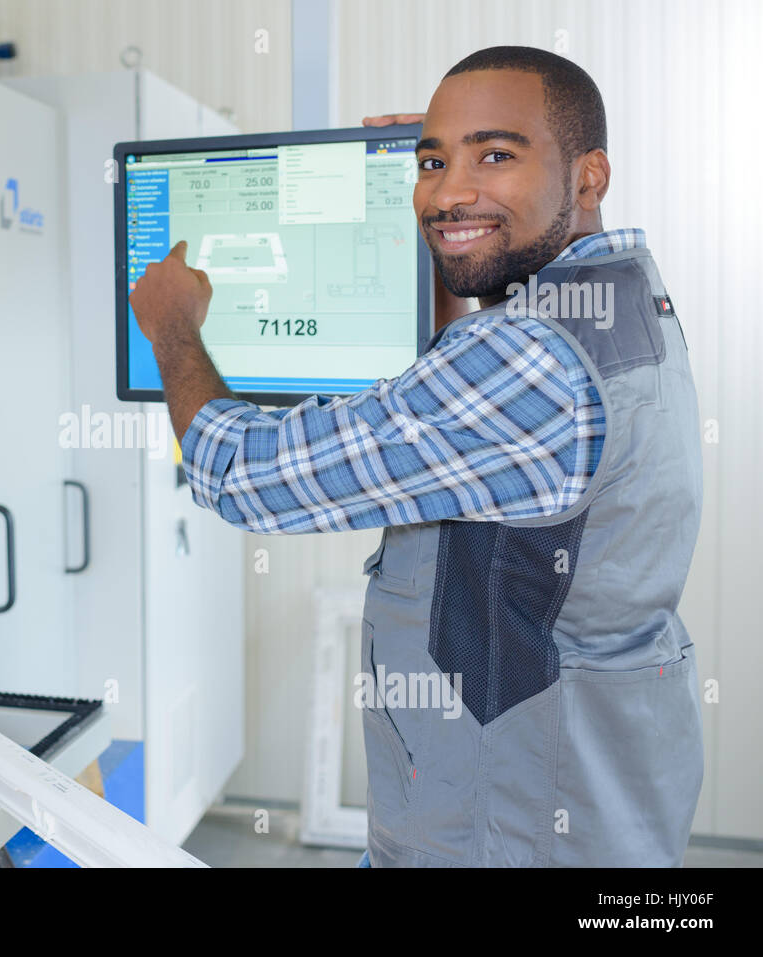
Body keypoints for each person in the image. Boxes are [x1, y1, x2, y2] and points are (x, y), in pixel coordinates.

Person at [128, 45, 703, 867]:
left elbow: (242, 475)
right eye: (433, 162)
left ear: (588, 175)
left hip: (504, 837)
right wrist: (456, 241)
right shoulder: (619, 294)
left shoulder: (531, 360)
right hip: (580, 804)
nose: (448, 192)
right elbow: (468, 420)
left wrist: (173, 326)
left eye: (495, 154)